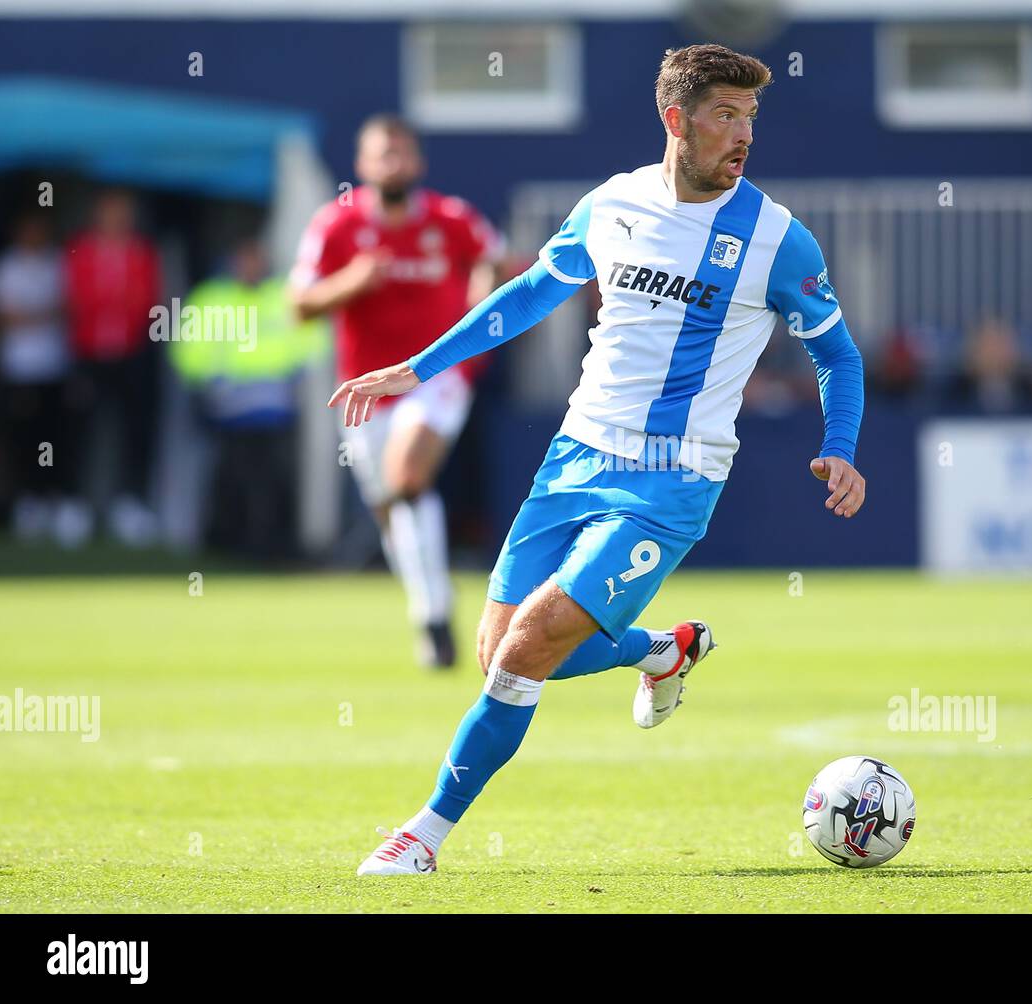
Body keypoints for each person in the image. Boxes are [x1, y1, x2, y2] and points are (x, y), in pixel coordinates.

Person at [329, 44, 866, 877]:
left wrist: (839, 449)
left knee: (525, 652)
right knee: (497, 648)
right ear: (675, 120)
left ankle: (423, 835)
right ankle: (661, 649)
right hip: (575, 455)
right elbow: (528, 296)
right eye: (726, 114)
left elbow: (838, 355)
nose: (743, 134)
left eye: (751, 117)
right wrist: (416, 368)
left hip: (674, 478)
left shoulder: (776, 240)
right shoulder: (613, 204)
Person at [291, 114, 503, 668]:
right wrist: (352, 282)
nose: (394, 163)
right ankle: (430, 605)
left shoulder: (450, 217)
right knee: (391, 505)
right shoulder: (335, 226)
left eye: (403, 153)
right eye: (383, 154)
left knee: (408, 479)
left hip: (435, 378)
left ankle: (434, 624)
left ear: (419, 162)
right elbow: (300, 305)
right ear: (362, 165)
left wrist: (478, 309)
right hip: (364, 389)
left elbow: (498, 263)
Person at [173, 239, 328, 559]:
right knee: (230, 475)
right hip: (228, 407)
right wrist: (210, 383)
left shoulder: (285, 297)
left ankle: (270, 543)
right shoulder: (210, 298)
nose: (251, 265)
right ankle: (225, 541)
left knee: (271, 477)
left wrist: (292, 375)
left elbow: (313, 343)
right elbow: (187, 351)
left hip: (275, 407)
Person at [62, 189, 162, 545]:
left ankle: (129, 503)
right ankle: (74, 505)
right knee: (80, 429)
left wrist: (114, 305)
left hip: (130, 354)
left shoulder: (140, 252)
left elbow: (144, 300)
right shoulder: (82, 250)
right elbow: (76, 298)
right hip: (87, 354)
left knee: (133, 429)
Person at [0, 212, 79, 543]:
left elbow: (68, 308)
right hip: (19, 369)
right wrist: (42, 314)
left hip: (53, 368)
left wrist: (31, 314)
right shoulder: (8, 266)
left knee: (54, 437)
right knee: (22, 439)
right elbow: (6, 317)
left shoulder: (57, 265)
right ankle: (26, 503)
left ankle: (52, 501)